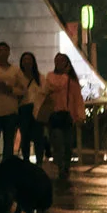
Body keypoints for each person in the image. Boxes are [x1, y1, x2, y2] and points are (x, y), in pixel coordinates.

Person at [41, 53, 83, 181]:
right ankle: (61, 167)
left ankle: (66, 166)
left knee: (68, 144)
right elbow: (54, 86)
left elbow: (78, 99)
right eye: (57, 61)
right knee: (58, 143)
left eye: (62, 61)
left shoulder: (73, 81)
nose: (59, 63)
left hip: (68, 116)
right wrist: (65, 74)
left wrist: (79, 115)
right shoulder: (50, 77)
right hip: (55, 115)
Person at [14, 51, 46, 162]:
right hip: (24, 109)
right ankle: (26, 160)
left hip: (37, 110)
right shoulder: (18, 77)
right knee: (25, 137)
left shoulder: (40, 77)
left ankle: (39, 161)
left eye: (29, 59)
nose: (27, 62)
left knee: (38, 138)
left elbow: (44, 92)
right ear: (21, 62)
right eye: (24, 60)